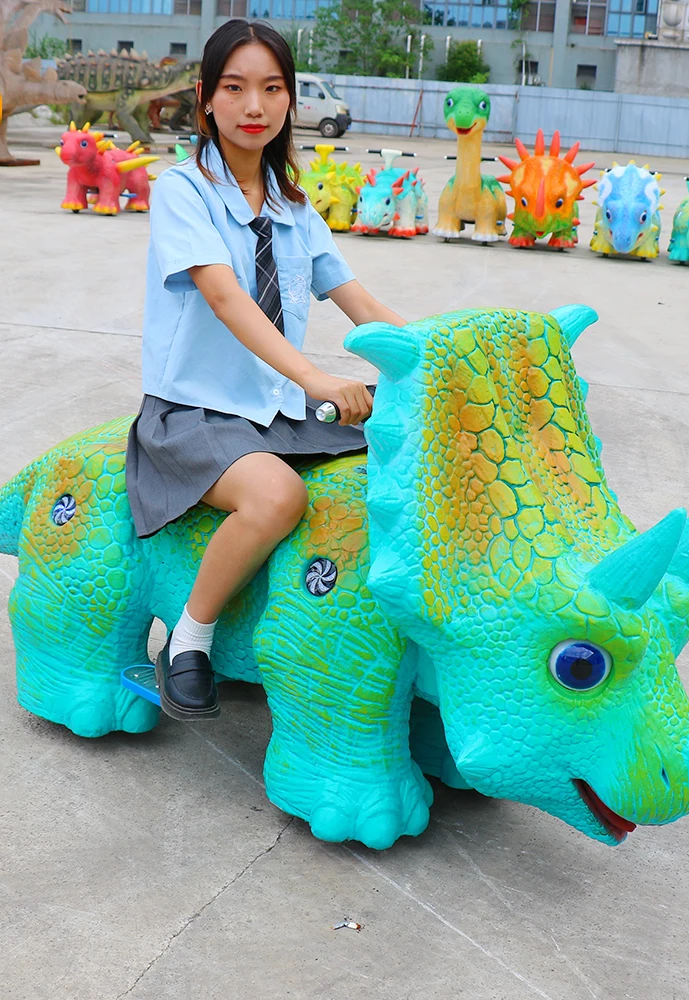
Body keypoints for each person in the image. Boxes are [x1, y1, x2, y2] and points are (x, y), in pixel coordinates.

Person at [126, 18, 407, 721]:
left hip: (274, 411)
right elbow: (224, 295)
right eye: (236, 87)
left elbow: (357, 300)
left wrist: (440, 358)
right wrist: (316, 378)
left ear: (288, 101)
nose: (255, 106)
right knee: (277, 497)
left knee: (401, 444)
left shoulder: (293, 205)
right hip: (194, 412)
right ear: (207, 101)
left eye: (272, 88)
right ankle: (189, 641)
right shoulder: (182, 191)